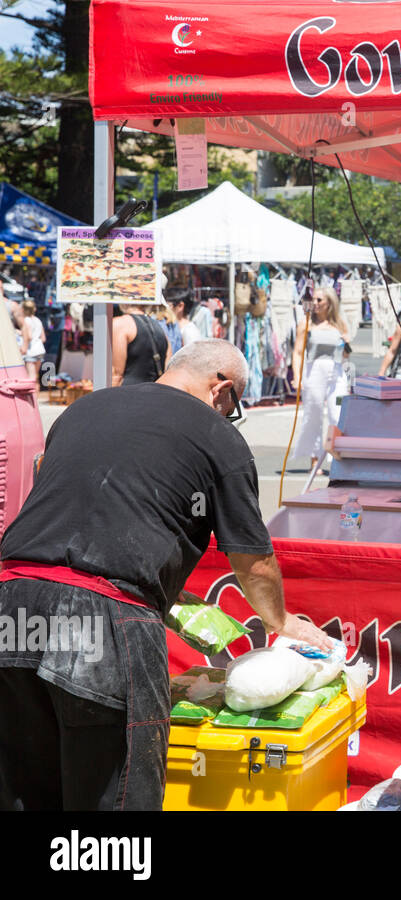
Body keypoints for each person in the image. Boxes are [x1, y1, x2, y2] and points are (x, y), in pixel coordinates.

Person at [0, 339, 332, 810]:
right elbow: (253, 562)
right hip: (103, 618)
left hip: (12, 602)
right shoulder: (217, 436)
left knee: (26, 788)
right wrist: (281, 623)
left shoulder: (83, 409)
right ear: (222, 390)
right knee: (116, 800)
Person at [290, 286, 351, 472]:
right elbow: (298, 352)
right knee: (313, 414)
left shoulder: (339, 324)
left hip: (336, 371)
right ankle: (314, 459)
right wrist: (297, 376)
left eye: (319, 300)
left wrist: (347, 342)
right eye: (313, 300)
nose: (315, 304)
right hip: (314, 370)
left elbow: (346, 355)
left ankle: (336, 457)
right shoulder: (306, 323)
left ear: (329, 303)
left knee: (338, 413)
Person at [112, 302, 172, 386]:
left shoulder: (120, 324)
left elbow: (116, 375)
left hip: (128, 394)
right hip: (155, 393)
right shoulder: (160, 328)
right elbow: (167, 368)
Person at [18, 299, 44, 383]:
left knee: (30, 379)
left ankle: (31, 396)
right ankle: (35, 396)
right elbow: (43, 338)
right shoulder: (38, 320)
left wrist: (19, 333)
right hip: (40, 350)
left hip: (30, 351)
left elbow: (29, 336)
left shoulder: (26, 320)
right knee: (35, 377)